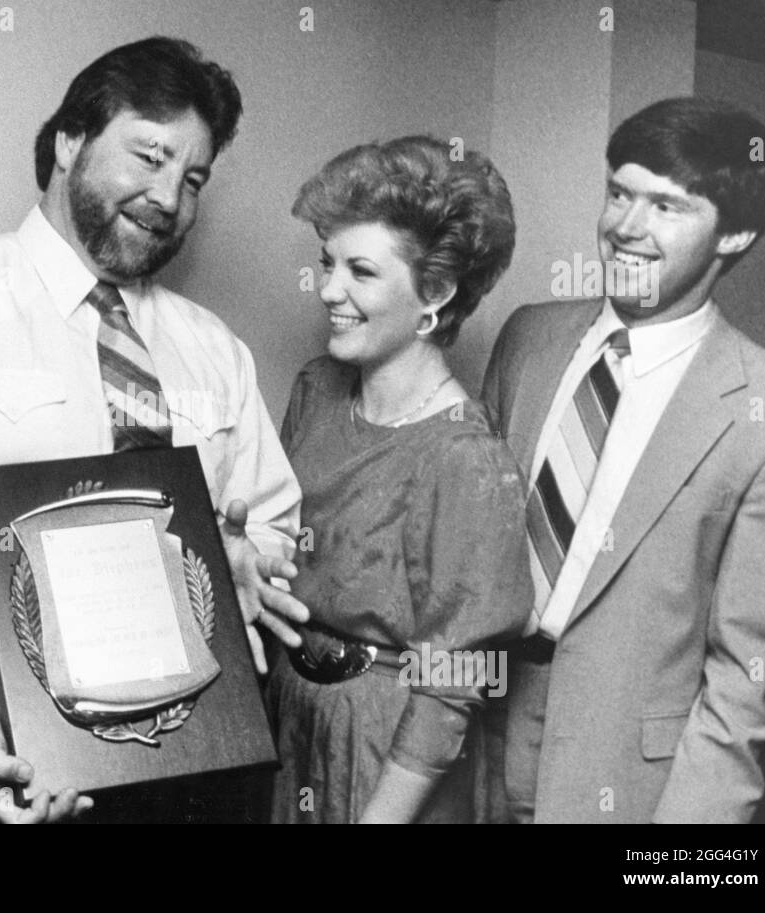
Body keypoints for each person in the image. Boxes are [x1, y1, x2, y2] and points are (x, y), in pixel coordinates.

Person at [0, 36, 307, 823]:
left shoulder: (214, 348)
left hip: (195, 746)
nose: (168, 196)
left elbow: (273, 518)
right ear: (69, 141)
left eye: (193, 178)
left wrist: (250, 557)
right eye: (148, 156)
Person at [481, 97, 765, 823]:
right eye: (619, 193)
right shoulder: (527, 338)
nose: (625, 227)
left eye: (666, 204)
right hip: (469, 737)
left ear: (738, 232)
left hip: (622, 781)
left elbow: (741, 681)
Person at [267, 137, 531, 824]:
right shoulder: (316, 391)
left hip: (393, 752)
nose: (328, 290)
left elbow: (454, 681)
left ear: (434, 294)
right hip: (291, 720)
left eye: (360, 271)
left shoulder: (468, 459)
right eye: (327, 263)